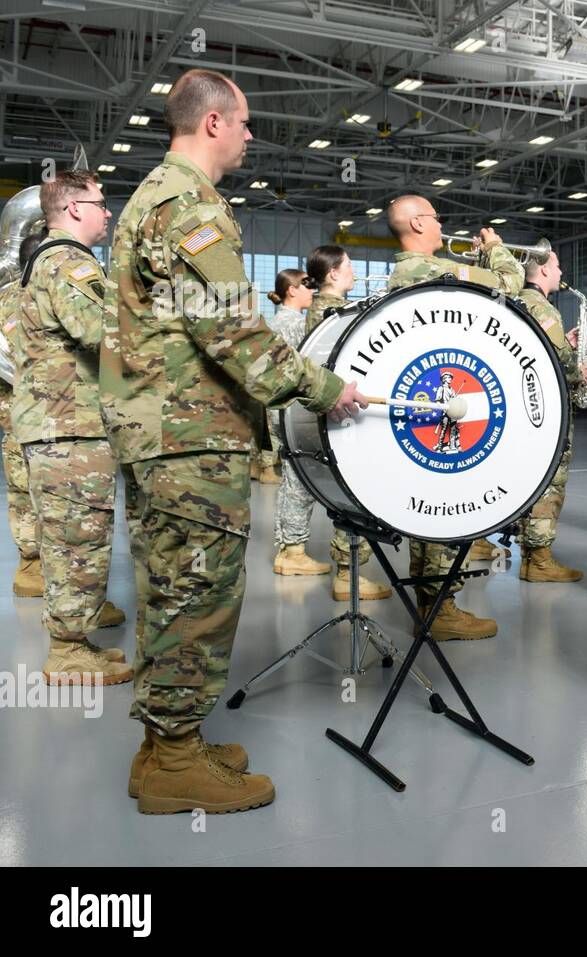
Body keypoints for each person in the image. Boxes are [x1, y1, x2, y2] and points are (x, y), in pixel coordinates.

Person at [100, 68, 366, 814]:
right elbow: (234, 333)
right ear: (213, 123)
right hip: (189, 437)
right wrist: (324, 387)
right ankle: (174, 760)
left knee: (169, 589)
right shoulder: (188, 203)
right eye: (245, 122)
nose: (251, 135)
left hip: (162, 430)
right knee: (198, 593)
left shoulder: (153, 198)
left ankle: (165, 741)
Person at [384, 194, 526, 639]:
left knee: (428, 500)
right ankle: (440, 608)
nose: (443, 224)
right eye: (437, 217)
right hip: (445, 397)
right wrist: (494, 248)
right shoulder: (428, 269)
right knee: (444, 502)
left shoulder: (407, 270)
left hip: (427, 395)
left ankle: (432, 604)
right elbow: (511, 281)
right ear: (420, 223)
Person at [10, 169, 130, 683]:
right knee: (76, 539)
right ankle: (67, 651)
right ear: (76, 208)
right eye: (101, 203)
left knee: (74, 536)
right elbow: (102, 336)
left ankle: (75, 631)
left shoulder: (55, 261)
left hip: (62, 425)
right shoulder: (67, 262)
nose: (107, 212)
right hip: (68, 429)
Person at [303, 245, 392, 601]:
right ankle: (348, 575)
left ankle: (348, 573)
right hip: (340, 413)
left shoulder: (321, 309)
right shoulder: (334, 313)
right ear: (333, 274)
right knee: (355, 494)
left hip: (328, 410)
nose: (354, 271)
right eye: (349, 266)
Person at [516, 249, 585, 583]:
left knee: (529, 478)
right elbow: (566, 367)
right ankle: (540, 560)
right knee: (551, 482)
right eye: (557, 265)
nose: (561, 271)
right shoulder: (543, 309)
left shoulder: (515, 302)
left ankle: (528, 556)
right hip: (548, 412)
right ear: (542, 270)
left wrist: (564, 346)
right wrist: (578, 368)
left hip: (523, 410)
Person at [266, 268, 330, 576]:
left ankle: (289, 547)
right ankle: (293, 551)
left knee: (293, 476)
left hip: (281, 409)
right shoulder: (292, 324)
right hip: (292, 411)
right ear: (291, 290)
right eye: (306, 285)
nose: (311, 291)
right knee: (299, 480)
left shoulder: (280, 321)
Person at [1, 233, 45, 598]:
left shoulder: (7, 295)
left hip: (18, 412)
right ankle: (36, 571)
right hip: (45, 409)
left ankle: (33, 569)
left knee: (22, 488)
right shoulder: (25, 296)